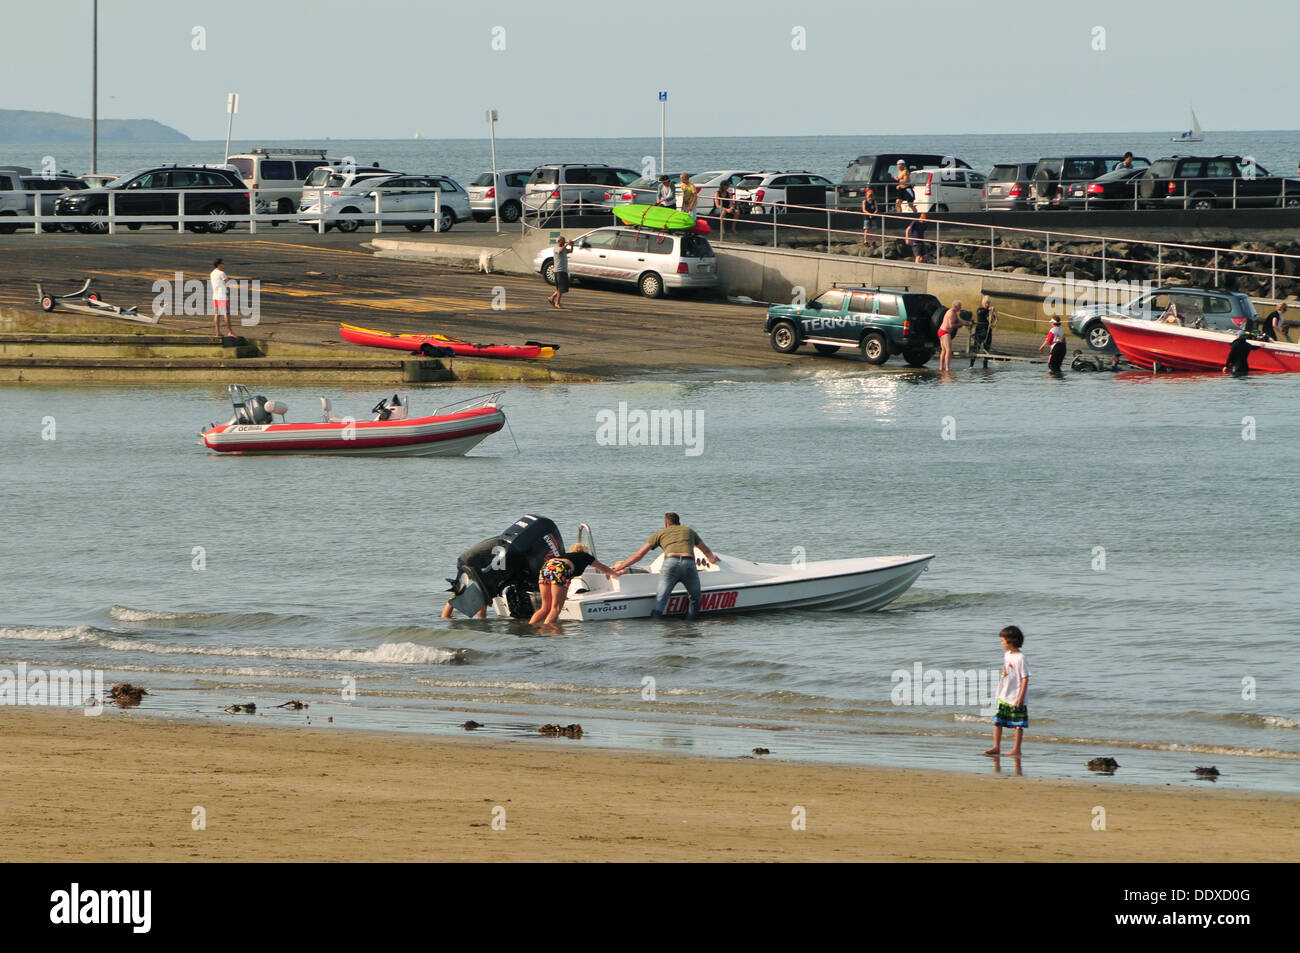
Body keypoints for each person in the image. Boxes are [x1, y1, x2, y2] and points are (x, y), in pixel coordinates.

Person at [612, 513, 718, 621]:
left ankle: (657, 627)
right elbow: (706, 551)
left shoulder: (660, 533)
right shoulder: (689, 531)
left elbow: (639, 555)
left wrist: (621, 566)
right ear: (679, 522)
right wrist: (713, 559)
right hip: (688, 563)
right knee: (695, 599)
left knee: (661, 599)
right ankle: (690, 627)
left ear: (666, 524)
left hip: (670, 563)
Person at [529, 544, 619, 625]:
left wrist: (563, 595)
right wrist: (613, 573)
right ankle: (547, 630)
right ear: (585, 550)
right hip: (561, 568)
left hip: (548, 566)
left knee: (545, 607)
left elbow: (566, 580)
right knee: (555, 609)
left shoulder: (567, 556)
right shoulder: (585, 556)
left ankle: (531, 627)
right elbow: (601, 567)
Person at [984, 625, 1029, 757]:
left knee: (1018, 724)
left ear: (1010, 641)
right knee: (998, 721)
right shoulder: (1007, 655)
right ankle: (996, 746)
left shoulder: (1021, 658)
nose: (1001, 643)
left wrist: (1020, 697)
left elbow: (1025, 678)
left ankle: (1017, 749)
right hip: (1004, 694)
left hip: (1016, 696)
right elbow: (1007, 671)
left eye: (1002, 641)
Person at [937, 300, 968, 371]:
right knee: (948, 350)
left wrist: (966, 323)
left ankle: (941, 367)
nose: (961, 308)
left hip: (941, 331)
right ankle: (947, 368)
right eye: (960, 306)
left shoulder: (954, 312)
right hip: (945, 332)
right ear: (955, 306)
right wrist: (961, 324)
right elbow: (951, 325)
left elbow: (958, 321)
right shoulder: (951, 313)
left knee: (944, 350)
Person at [210, 258, 234, 338]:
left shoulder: (212, 273)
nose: (223, 264)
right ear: (219, 264)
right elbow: (227, 283)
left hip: (215, 296)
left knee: (217, 314)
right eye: (222, 263)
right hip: (222, 296)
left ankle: (217, 332)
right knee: (226, 314)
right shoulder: (222, 273)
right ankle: (230, 332)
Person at [969, 295, 996, 367]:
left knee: (986, 348)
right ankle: (971, 365)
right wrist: (989, 309)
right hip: (980, 331)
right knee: (976, 347)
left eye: (988, 303)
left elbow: (993, 319)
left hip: (987, 330)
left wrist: (993, 313)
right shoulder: (980, 309)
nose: (987, 304)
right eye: (986, 303)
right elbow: (980, 312)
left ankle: (985, 365)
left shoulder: (989, 311)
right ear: (983, 303)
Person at [546, 235, 571, 309]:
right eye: (563, 240)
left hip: (564, 270)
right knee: (561, 288)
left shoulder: (564, 248)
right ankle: (557, 303)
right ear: (559, 241)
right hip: (559, 270)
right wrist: (567, 244)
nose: (564, 241)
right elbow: (560, 251)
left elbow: (570, 251)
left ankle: (551, 298)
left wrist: (571, 245)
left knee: (562, 288)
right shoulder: (556, 248)